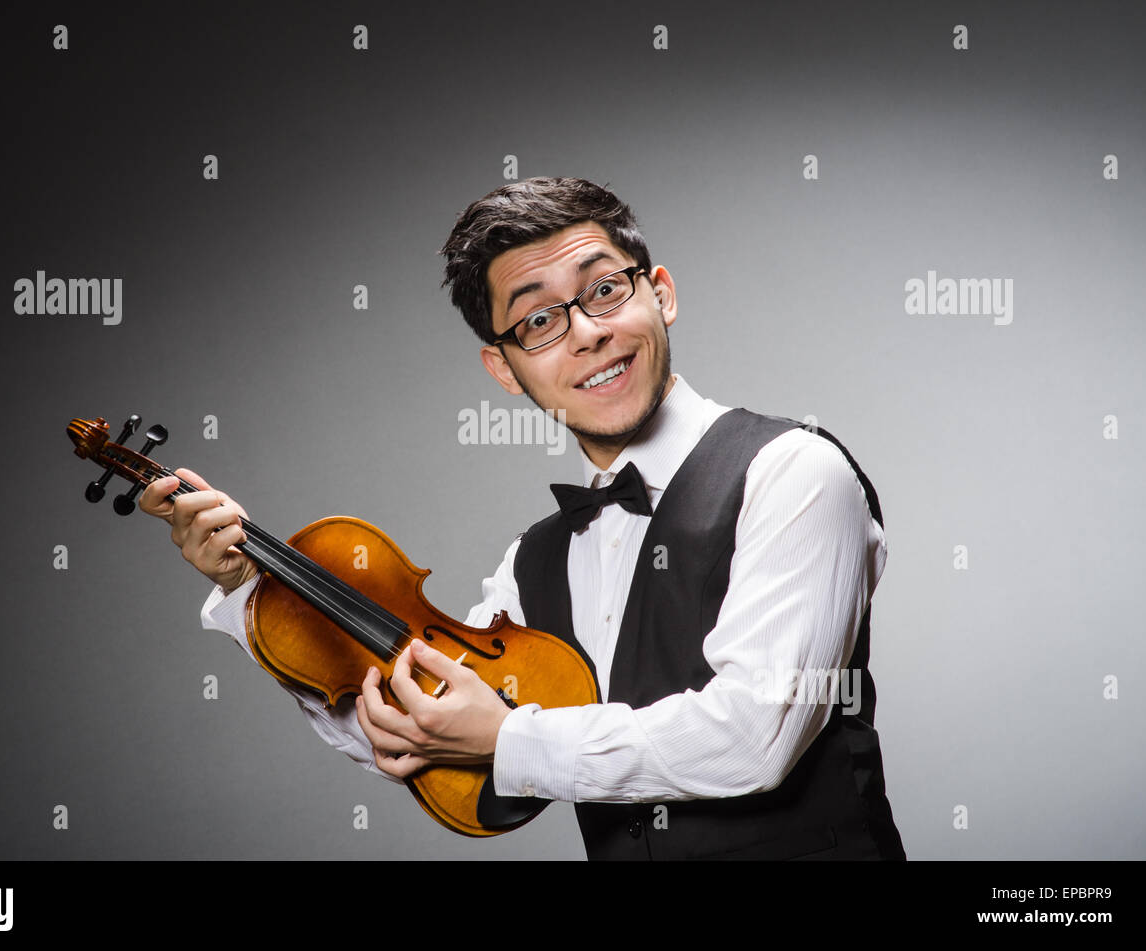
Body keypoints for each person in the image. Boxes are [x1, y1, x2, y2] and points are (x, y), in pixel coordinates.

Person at [140, 177, 907, 860]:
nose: (586, 331)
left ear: (661, 293)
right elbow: (427, 736)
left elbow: (755, 734)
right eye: (538, 321)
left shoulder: (794, 473)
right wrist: (251, 590)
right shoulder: (534, 561)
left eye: (605, 289)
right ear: (504, 369)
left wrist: (507, 737)